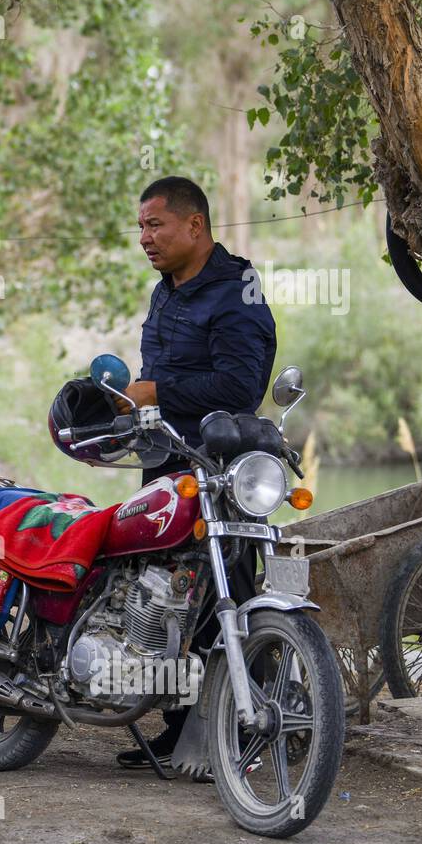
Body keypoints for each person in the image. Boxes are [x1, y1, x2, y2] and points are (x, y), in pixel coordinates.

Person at [113, 176, 276, 772]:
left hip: (220, 472)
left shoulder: (238, 291)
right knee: (164, 595)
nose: (145, 238)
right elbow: (155, 372)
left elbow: (240, 388)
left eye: (155, 225)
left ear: (195, 225)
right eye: (141, 227)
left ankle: (250, 732)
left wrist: (157, 390)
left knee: (226, 594)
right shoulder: (167, 290)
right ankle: (181, 729)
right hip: (163, 462)